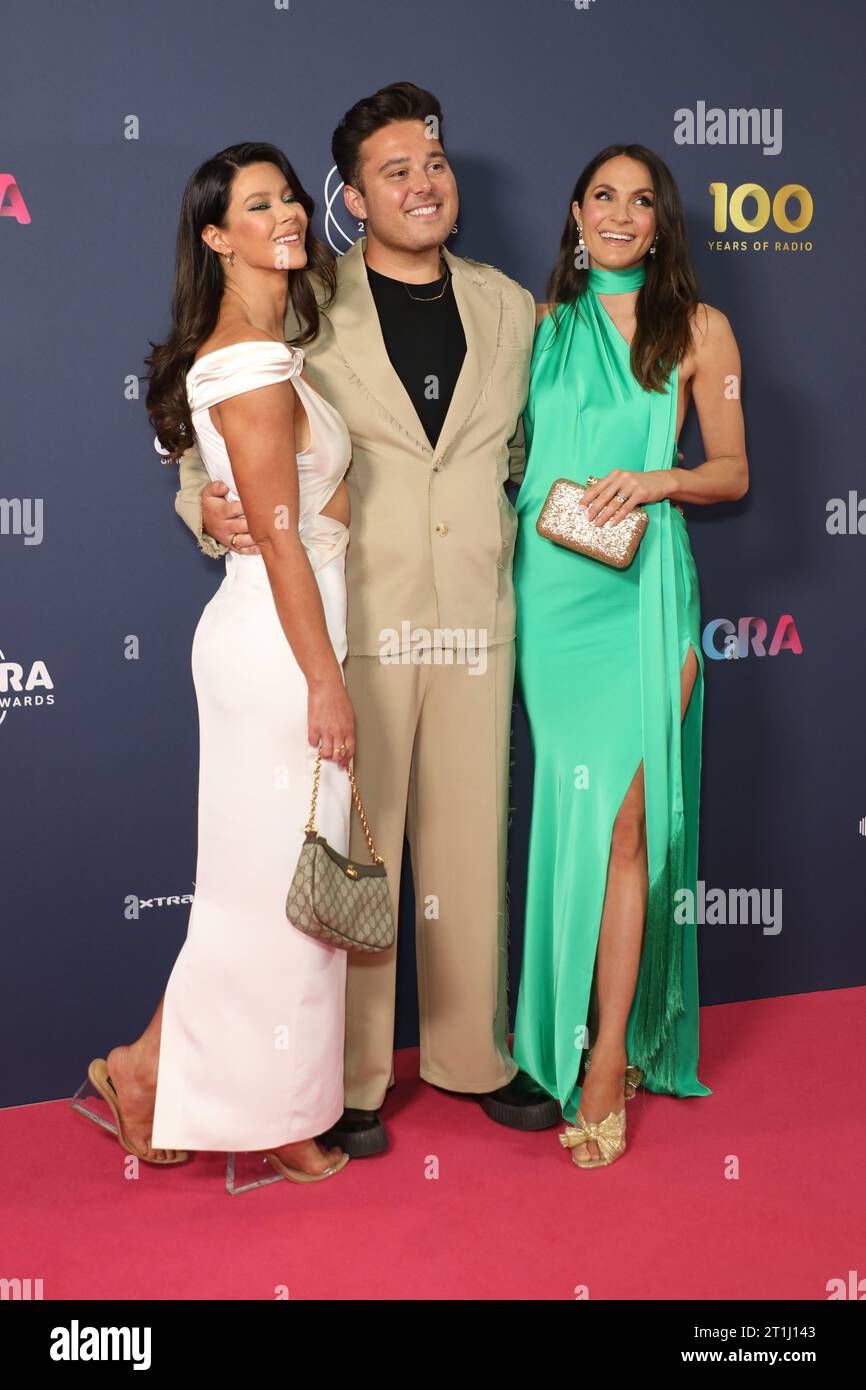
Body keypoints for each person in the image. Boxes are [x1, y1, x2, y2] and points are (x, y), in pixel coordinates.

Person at [174, 83, 559, 1155]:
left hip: (477, 615)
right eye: (393, 171)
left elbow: (517, 458)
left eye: (432, 164)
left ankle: (470, 1053)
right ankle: (345, 1079)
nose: (421, 184)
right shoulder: (304, 300)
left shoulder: (506, 307)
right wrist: (206, 510)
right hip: (357, 626)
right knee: (361, 852)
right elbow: (217, 430)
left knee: (470, 846)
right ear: (349, 196)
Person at [84, 142, 355, 1183]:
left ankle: (148, 1071)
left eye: (288, 195)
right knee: (275, 894)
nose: (287, 212)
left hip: (286, 631)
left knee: (268, 888)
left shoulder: (263, 346)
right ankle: (269, 1115)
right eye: (258, 204)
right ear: (215, 235)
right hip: (280, 646)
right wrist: (324, 679)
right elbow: (281, 535)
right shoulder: (246, 360)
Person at [511, 145, 748, 1168]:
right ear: (575, 213)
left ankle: (606, 1054)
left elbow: (730, 472)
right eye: (601, 197)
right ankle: (565, 1032)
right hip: (554, 601)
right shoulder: (539, 328)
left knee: (627, 829)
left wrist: (655, 482)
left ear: (660, 224)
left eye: (638, 201)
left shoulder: (699, 329)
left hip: (647, 594)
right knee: (576, 820)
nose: (617, 214)